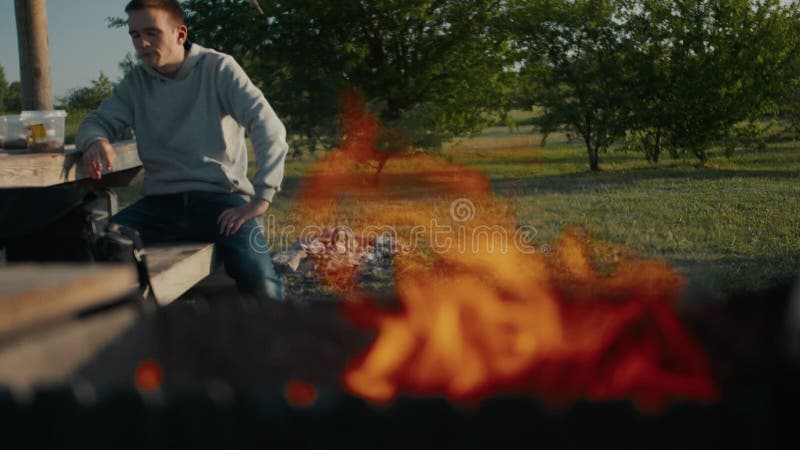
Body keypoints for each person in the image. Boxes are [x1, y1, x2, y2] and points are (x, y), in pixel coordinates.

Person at [76, 0, 287, 301]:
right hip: (160, 206)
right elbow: (97, 121)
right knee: (97, 247)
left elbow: (269, 127)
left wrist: (262, 198)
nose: (143, 43)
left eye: (151, 32)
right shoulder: (136, 82)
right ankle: (125, 340)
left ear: (180, 33)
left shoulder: (218, 68)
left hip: (222, 203)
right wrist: (96, 141)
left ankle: (278, 344)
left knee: (260, 281)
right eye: (135, 35)